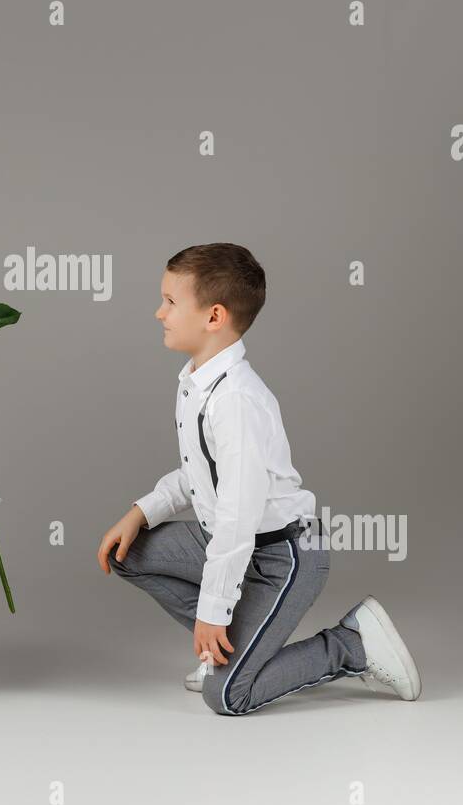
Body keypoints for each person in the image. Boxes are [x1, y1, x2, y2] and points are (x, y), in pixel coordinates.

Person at [96, 242, 421, 715]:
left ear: (214, 317)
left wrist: (212, 611)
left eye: (169, 302)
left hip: (283, 555)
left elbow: (237, 517)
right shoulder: (196, 380)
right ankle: (230, 647)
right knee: (129, 552)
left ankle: (351, 644)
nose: (157, 312)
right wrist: (141, 511)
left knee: (228, 697)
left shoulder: (236, 401)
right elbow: (198, 473)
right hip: (232, 544)